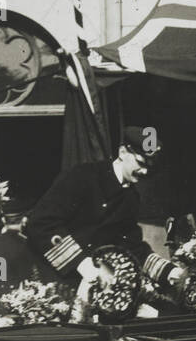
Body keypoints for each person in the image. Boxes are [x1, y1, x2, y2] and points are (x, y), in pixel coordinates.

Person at [26, 126, 186, 307]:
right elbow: (41, 223)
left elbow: (131, 247)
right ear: (123, 152)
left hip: (89, 289)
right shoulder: (82, 177)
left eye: (150, 167)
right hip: (49, 282)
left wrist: (169, 271)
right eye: (141, 163)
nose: (145, 172)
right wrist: (81, 263)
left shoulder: (131, 198)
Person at [0, 195, 44, 296]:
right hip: (30, 296)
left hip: (5, 297)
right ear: (24, 220)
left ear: (3, 220)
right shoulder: (30, 243)